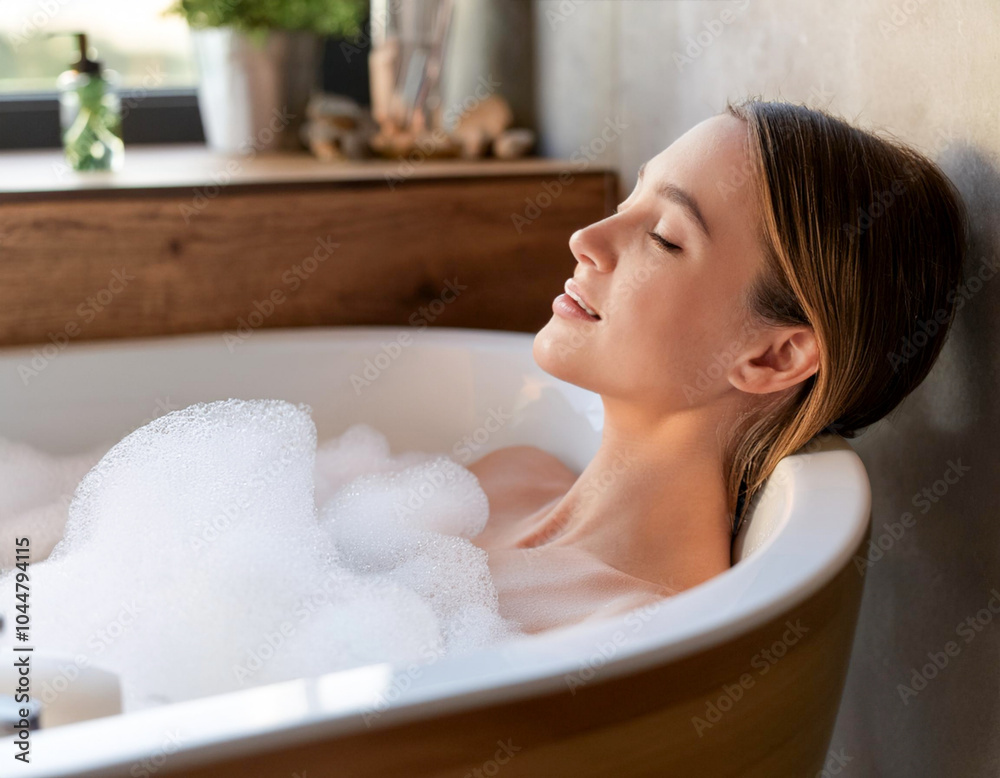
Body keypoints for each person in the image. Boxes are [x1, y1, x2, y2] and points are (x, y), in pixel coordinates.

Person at [469, 98, 969, 634]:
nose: (585, 240)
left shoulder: (633, 636)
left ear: (773, 356)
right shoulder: (507, 475)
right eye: (629, 199)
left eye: (664, 238)